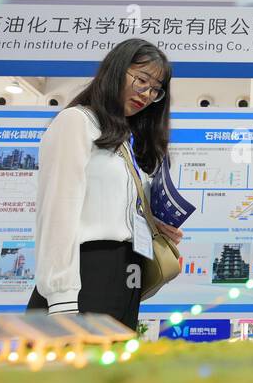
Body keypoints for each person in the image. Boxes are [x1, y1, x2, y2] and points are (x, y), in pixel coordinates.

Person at [29, 39, 183, 329]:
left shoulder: (127, 140)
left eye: (155, 89)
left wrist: (153, 225)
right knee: (68, 371)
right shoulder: (76, 122)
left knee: (111, 373)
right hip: (86, 273)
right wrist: (61, 299)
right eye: (142, 80)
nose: (147, 94)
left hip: (127, 275)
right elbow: (57, 212)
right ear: (116, 70)